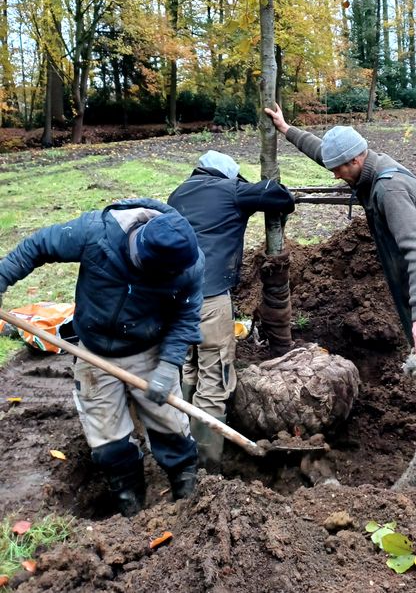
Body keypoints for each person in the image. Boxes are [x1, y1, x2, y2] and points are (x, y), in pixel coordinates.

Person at [265, 104, 416, 479]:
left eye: (341, 168)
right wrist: (287, 129)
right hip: (410, 268)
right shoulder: (360, 168)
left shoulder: (389, 189)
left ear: (359, 157)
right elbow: (324, 150)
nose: (337, 176)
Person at [0, 198, 204, 516]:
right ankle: (130, 510)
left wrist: (169, 365)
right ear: (141, 256)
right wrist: (1, 278)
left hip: (149, 352)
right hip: (94, 352)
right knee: (109, 442)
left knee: (172, 429)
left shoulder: (188, 264)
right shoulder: (97, 233)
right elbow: (38, 246)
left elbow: (187, 316)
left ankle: (188, 498)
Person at [168, 150, 295, 472]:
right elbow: (278, 196)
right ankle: (207, 464)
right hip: (208, 297)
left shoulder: (178, 192)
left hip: (168, 298)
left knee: (186, 366)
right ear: (228, 176)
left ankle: (181, 446)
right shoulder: (230, 190)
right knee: (214, 375)